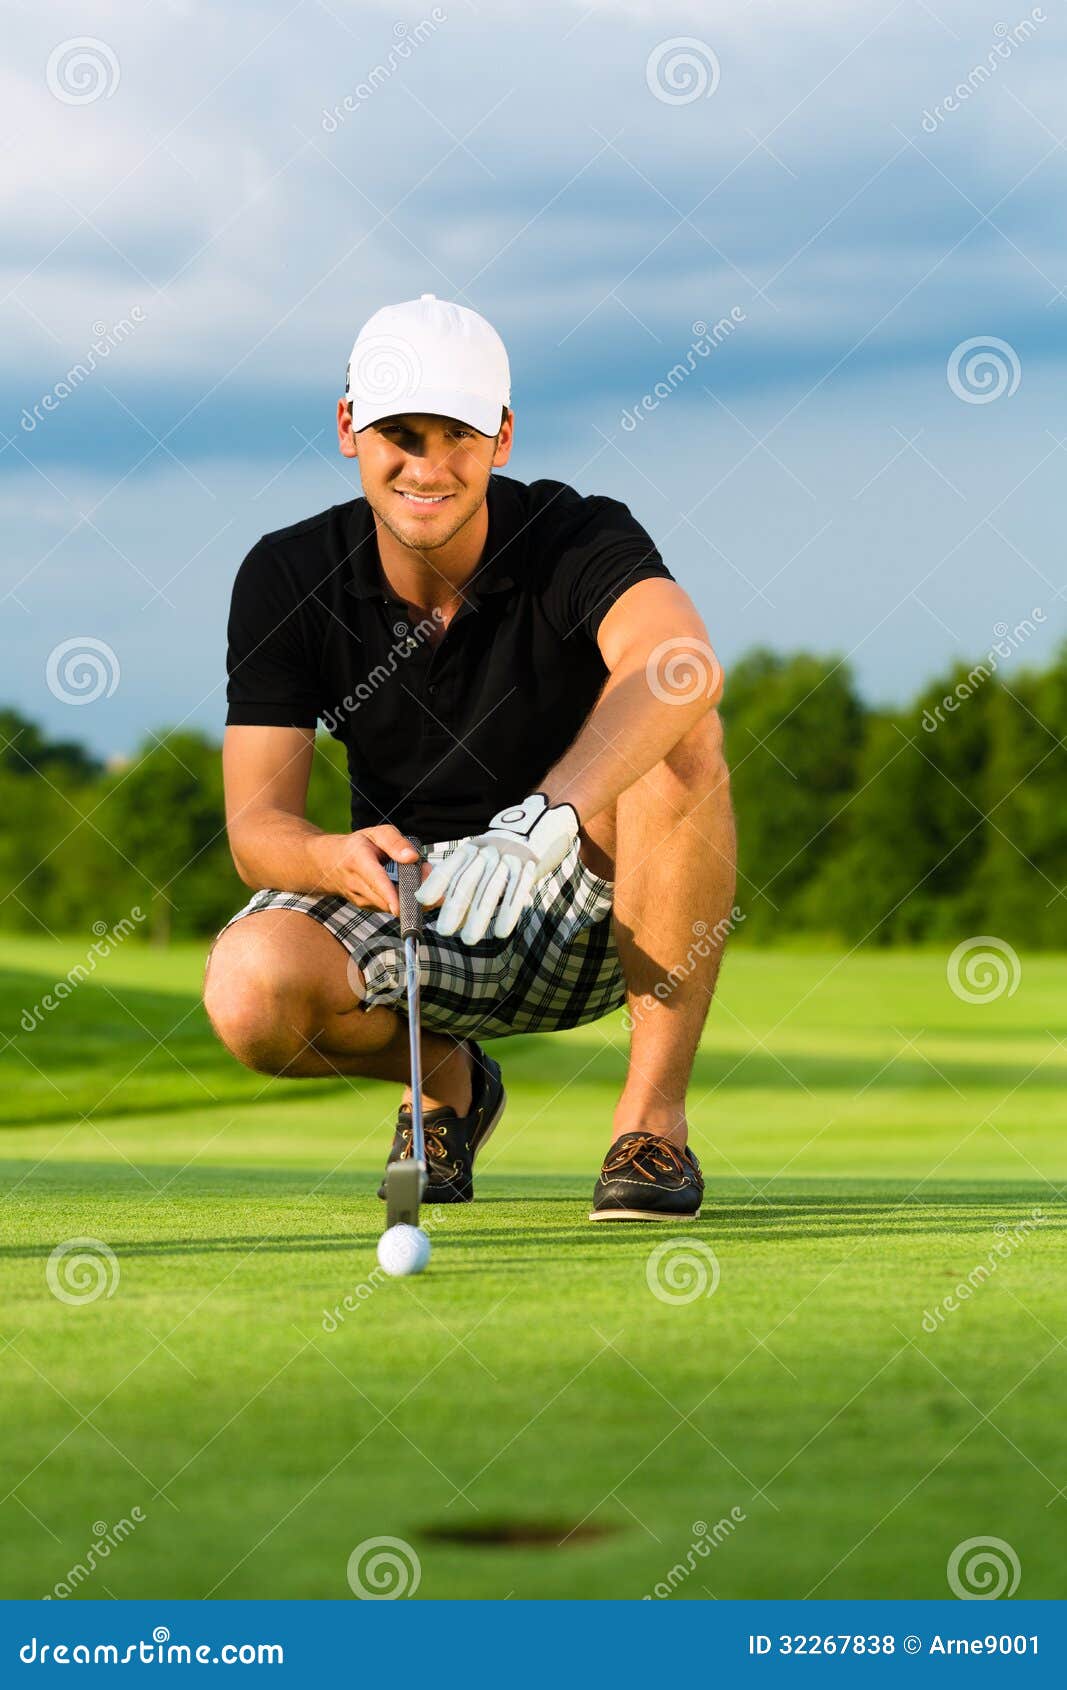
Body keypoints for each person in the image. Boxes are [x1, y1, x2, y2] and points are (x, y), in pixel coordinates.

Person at [204, 293, 736, 1221]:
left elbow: (681, 665)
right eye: (398, 434)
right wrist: (334, 857)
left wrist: (545, 817)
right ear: (347, 430)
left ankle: (652, 1126)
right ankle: (449, 1080)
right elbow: (258, 831)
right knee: (248, 994)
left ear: (501, 436)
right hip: (418, 912)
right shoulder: (286, 575)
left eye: (456, 435)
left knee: (681, 737)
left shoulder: (575, 533)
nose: (427, 466)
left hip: (596, 907)